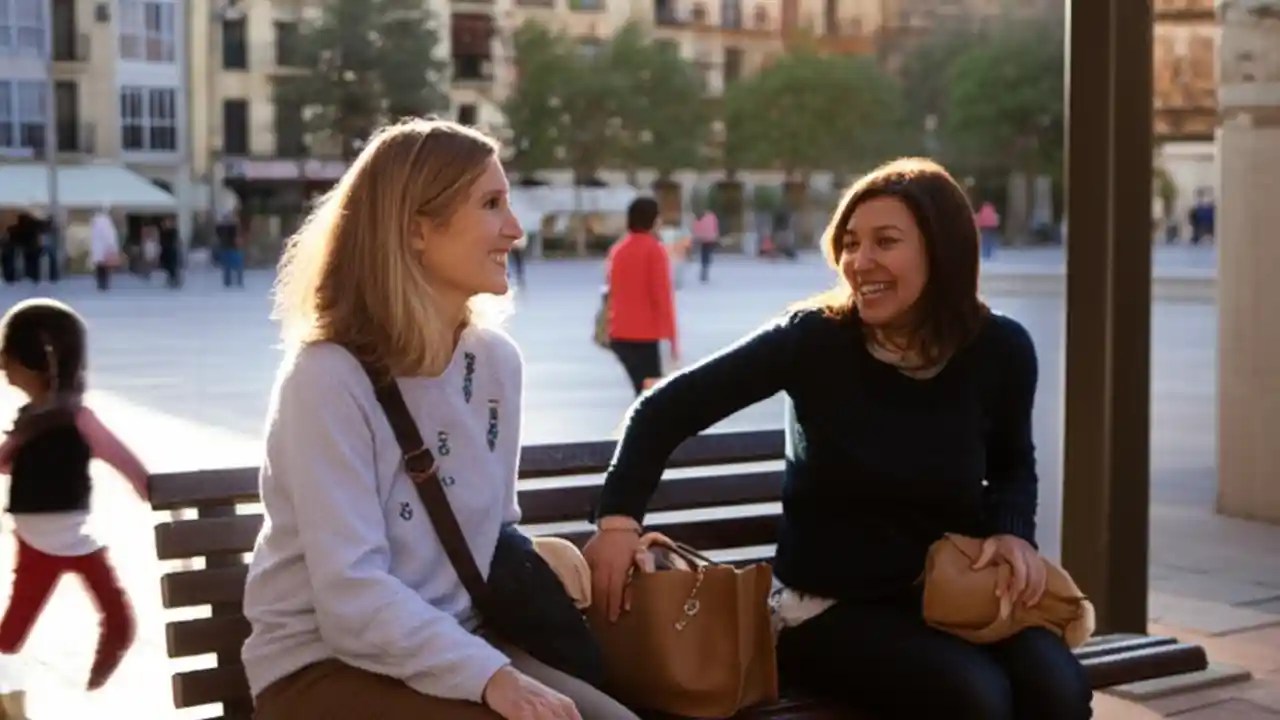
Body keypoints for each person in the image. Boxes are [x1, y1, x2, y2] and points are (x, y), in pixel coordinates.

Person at [583, 158, 1093, 720]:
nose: (859, 261)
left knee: (1058, 690)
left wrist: (1011, 531)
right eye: (850, 243)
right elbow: (663, 409)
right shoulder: (814, 341)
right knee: (978, 700)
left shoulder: (999, 349)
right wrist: (617, 520)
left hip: (952, 597)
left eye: (885, 242)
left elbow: (1013, 463)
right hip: (825, 609)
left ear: (941, 251)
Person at [242, 118, 639, 720]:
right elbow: (351, 595)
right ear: (416, 230)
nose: (516, 229)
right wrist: (492, 679)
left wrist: (539, 556)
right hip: (321, 666)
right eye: (491, 204)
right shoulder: (327, 378)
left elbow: (486, 530)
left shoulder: (496, 365)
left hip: (459, 643)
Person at [0, 298, 149, 691]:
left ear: (39, 362)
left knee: (19, 622)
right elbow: (7, 459)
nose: (2, 367)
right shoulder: (33, 420)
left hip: (58, 536)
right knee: (20, 622)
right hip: (42, 538)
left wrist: (146, 484)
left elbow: (117, 454)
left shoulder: (72, 419)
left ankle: (106, 656)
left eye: (7, 357)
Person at [605, 198, 679, 396]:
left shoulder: (618, 250)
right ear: (653, 220)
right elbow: (662, 297)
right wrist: (672, 339)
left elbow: (612, 289)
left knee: (643, 392)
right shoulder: (654, 250)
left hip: (620, 333)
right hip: (646, 336)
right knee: (653, 396)